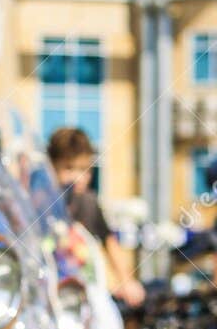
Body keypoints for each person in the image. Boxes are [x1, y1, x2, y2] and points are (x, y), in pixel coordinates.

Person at [47, 125, 145, 306]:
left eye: (84, 169)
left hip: (82, 292)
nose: (78, 177)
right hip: (47, 287)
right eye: (69, 168)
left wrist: (127, 281)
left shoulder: (88, 202)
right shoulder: (42, 202)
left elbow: (109, 241)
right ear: (51, 167)